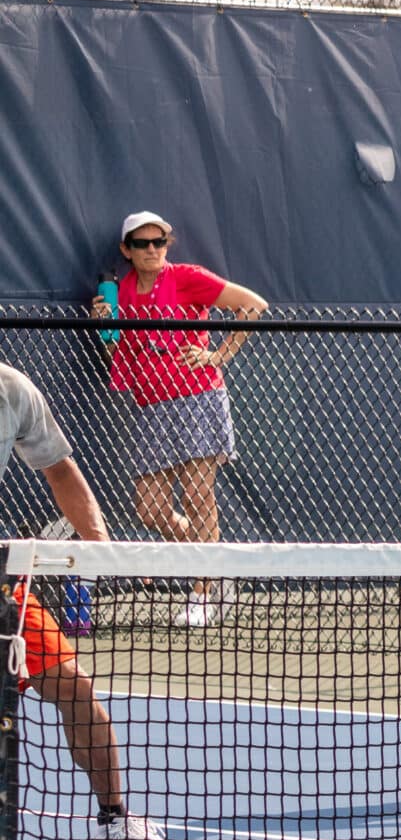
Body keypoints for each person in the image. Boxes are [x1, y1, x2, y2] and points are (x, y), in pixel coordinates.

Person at [0, 361, 177, 840]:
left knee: (74, 687)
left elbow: (59, 469)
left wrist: (101, 547)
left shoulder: (13, 389)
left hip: (1, 581)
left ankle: (113, 822)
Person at [91, 210, 268, 628]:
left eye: (159, 242)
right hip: (151, 406)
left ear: (168, 245)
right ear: (126, 250)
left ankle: (203, 592)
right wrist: (104, 328)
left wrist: (217, 355)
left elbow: (253, 306)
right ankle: (217, 567)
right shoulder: (122, 293)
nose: (152, 250)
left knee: (197, 495)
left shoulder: (187, 276)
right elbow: (119, 357)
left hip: (198, 398)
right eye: (142, 244)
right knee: (149, 510)